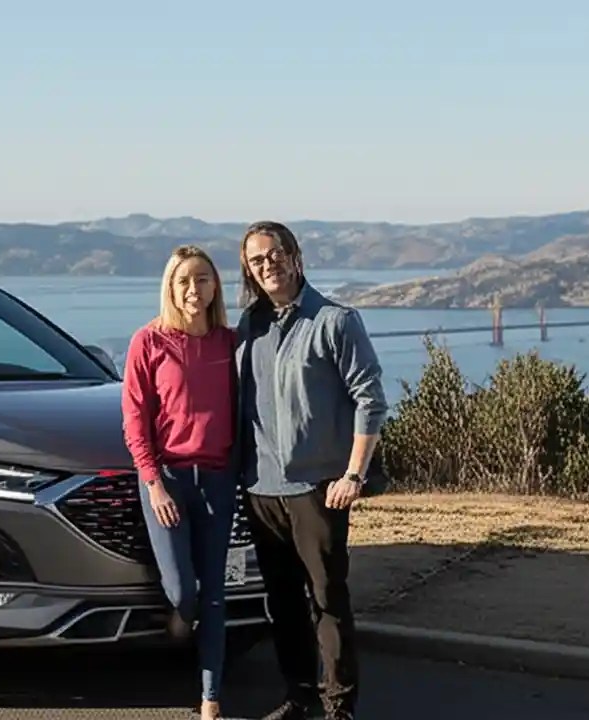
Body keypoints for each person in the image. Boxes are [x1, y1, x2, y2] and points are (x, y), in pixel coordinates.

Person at [233, 221, 388, 720]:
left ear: (295, 255)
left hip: (317, 490)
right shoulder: (247, 327)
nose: (268, 265)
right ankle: (299, 696)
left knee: (327, 598)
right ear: (249, 271)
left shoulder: (336, 321)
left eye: (275, 253)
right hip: (259, 487)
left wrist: (353, 475)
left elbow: (371, 400)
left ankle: (339, 705)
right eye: (257, 260)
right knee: (282, 602)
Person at [121, 244, 241, 720]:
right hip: (167, 482)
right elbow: (135, 420)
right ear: (171, 287)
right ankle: (178, 616)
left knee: (215, 593)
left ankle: (211, 696)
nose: (195, 289)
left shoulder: (229, 344)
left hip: (217, 481)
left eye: (204, 279)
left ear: (215, 286)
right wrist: (153, 483)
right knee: (184, 591)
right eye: (184, 281)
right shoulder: (148, 342)